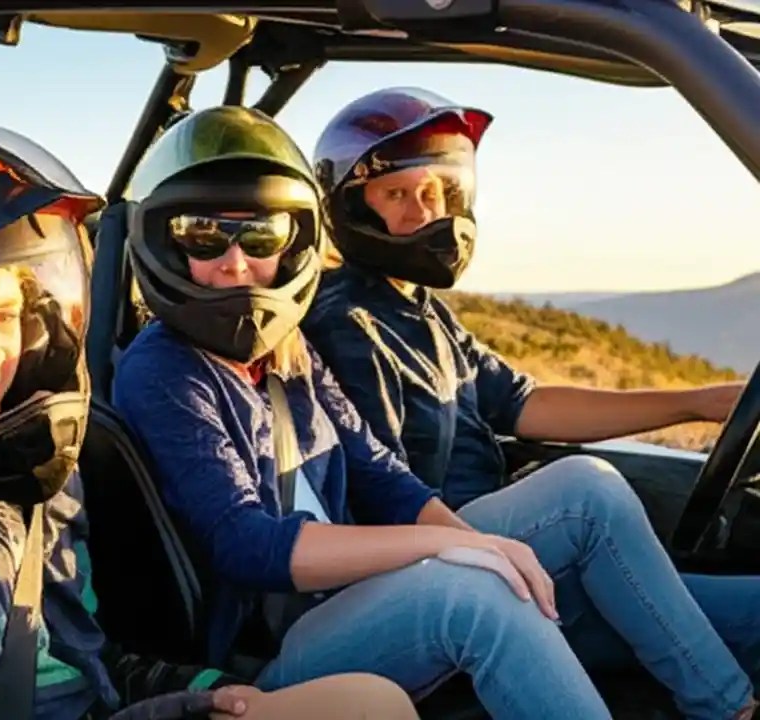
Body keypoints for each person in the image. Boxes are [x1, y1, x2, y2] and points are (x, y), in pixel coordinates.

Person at [0, 124, 421, 720]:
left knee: (371, 704)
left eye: (6, 316)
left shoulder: (41, 477)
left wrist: (206, 693)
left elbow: (86, 670)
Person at [110, 104, 759, 719]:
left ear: (294, 241)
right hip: (279, 645)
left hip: (352, 600)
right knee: (469, 593)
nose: (235, 263)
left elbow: (380, 474)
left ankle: (729, 705)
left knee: (586, 487)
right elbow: (246, 544)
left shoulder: (290, 348)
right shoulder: (165, 370)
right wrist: (451, 550)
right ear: (165, 242)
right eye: (203, 236)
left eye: (261, 234)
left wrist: (478, 544)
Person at [301, 85, 760, 701]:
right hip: (433, 564)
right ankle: (728, 706)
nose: (421, 214)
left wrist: (696, 402)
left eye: (433, 192)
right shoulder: (347, 322)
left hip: (500, 551)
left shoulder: (419, 309)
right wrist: (493, 546)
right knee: (583, 489)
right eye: (396, 195)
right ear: (353, 207)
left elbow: (527, 403)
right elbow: (379, 494)